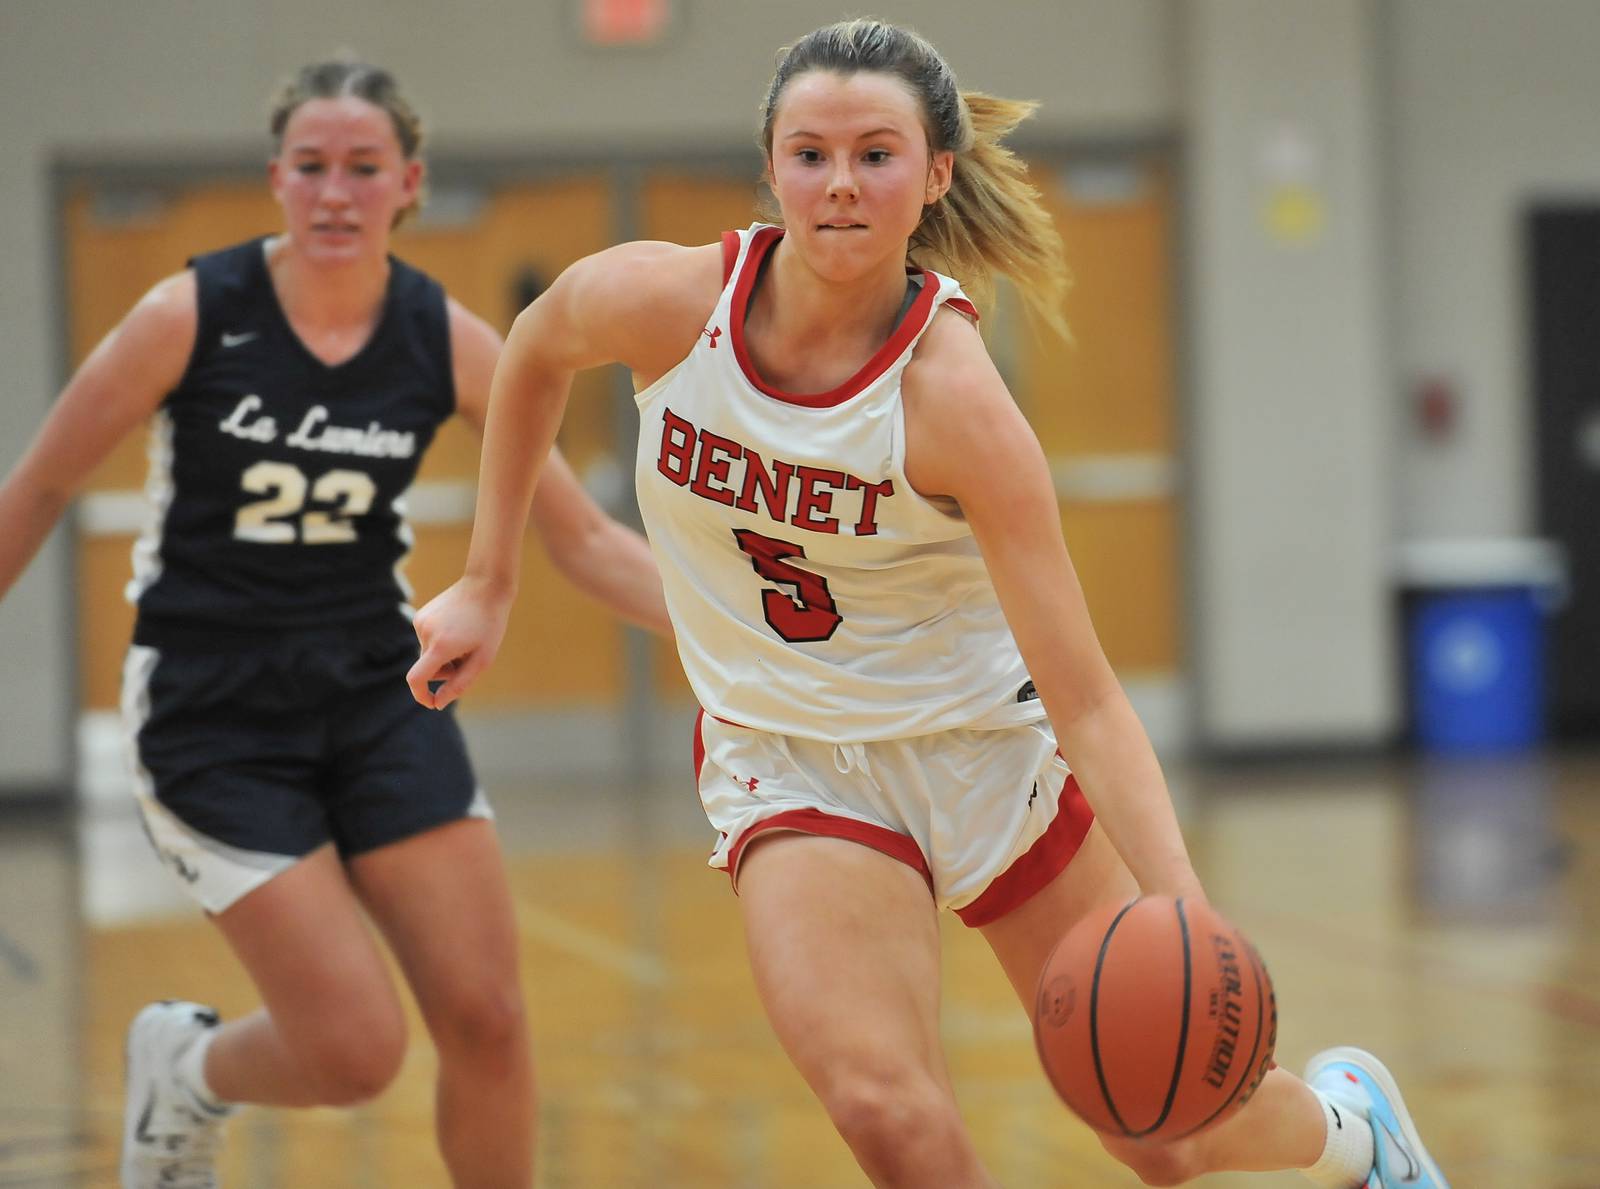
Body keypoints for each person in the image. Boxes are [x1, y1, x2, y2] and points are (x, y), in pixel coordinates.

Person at [407, 19, 1449, 1189]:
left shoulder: (955, 404)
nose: (840, 184)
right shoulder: (663, 303)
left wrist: (1186, 910)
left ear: (935, 174)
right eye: (809, 154)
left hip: (981, 754)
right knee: (884, 1111)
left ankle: (1354, 1130)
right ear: (770, 166)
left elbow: (1087, 699)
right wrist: (488, 580)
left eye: (875, 155)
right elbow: (534, 349)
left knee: (1166, 1135)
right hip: (790, 759)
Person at [0, 59, 671, 1189]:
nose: (334, 192)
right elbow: (40, 486)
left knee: (489, 1015)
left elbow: (585, 539)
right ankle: (187, 1070)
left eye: (363, 168)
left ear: (407, 183)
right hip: (213, 710)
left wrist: (748, 634)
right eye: (311, 166)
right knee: (356, 1050)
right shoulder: (190, 314)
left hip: (376, 688)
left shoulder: (443, 335)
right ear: (277, 179)